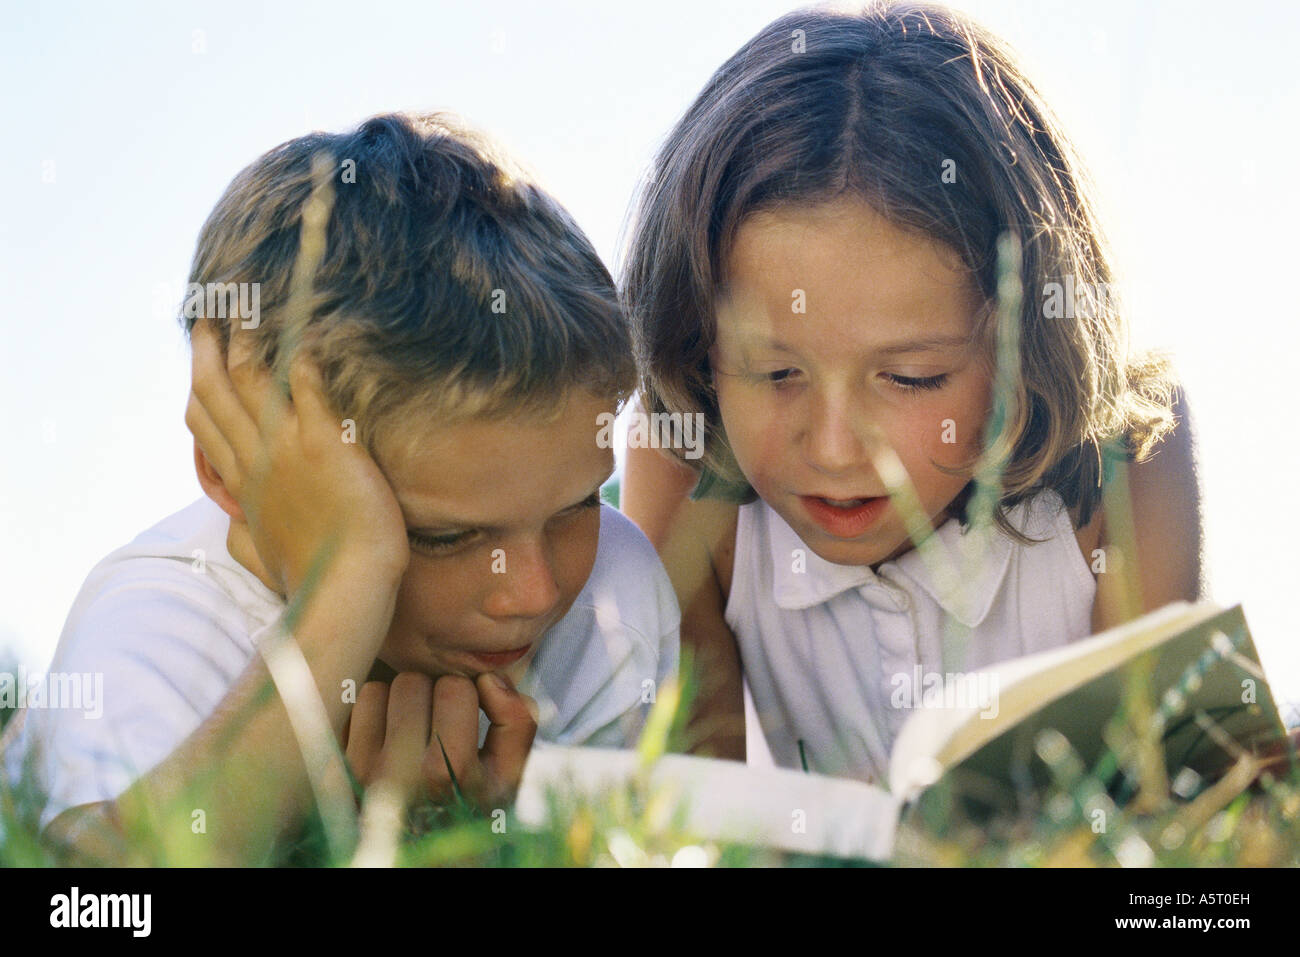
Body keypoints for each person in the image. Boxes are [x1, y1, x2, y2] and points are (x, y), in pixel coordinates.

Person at [2, 112, 678, 863]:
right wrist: (344, 587)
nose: (532, 589)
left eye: (578, 505)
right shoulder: (162, 616)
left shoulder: (610, 597)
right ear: (238, 472)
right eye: (443, 536)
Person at [619, 2, 1205, 781]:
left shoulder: (1127, 457)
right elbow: (699, 806)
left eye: (911, 377)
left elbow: (1169, 805)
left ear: (1024, 349)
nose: (832, 449)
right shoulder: (689, 470)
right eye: (774, 373)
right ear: (699, 347)